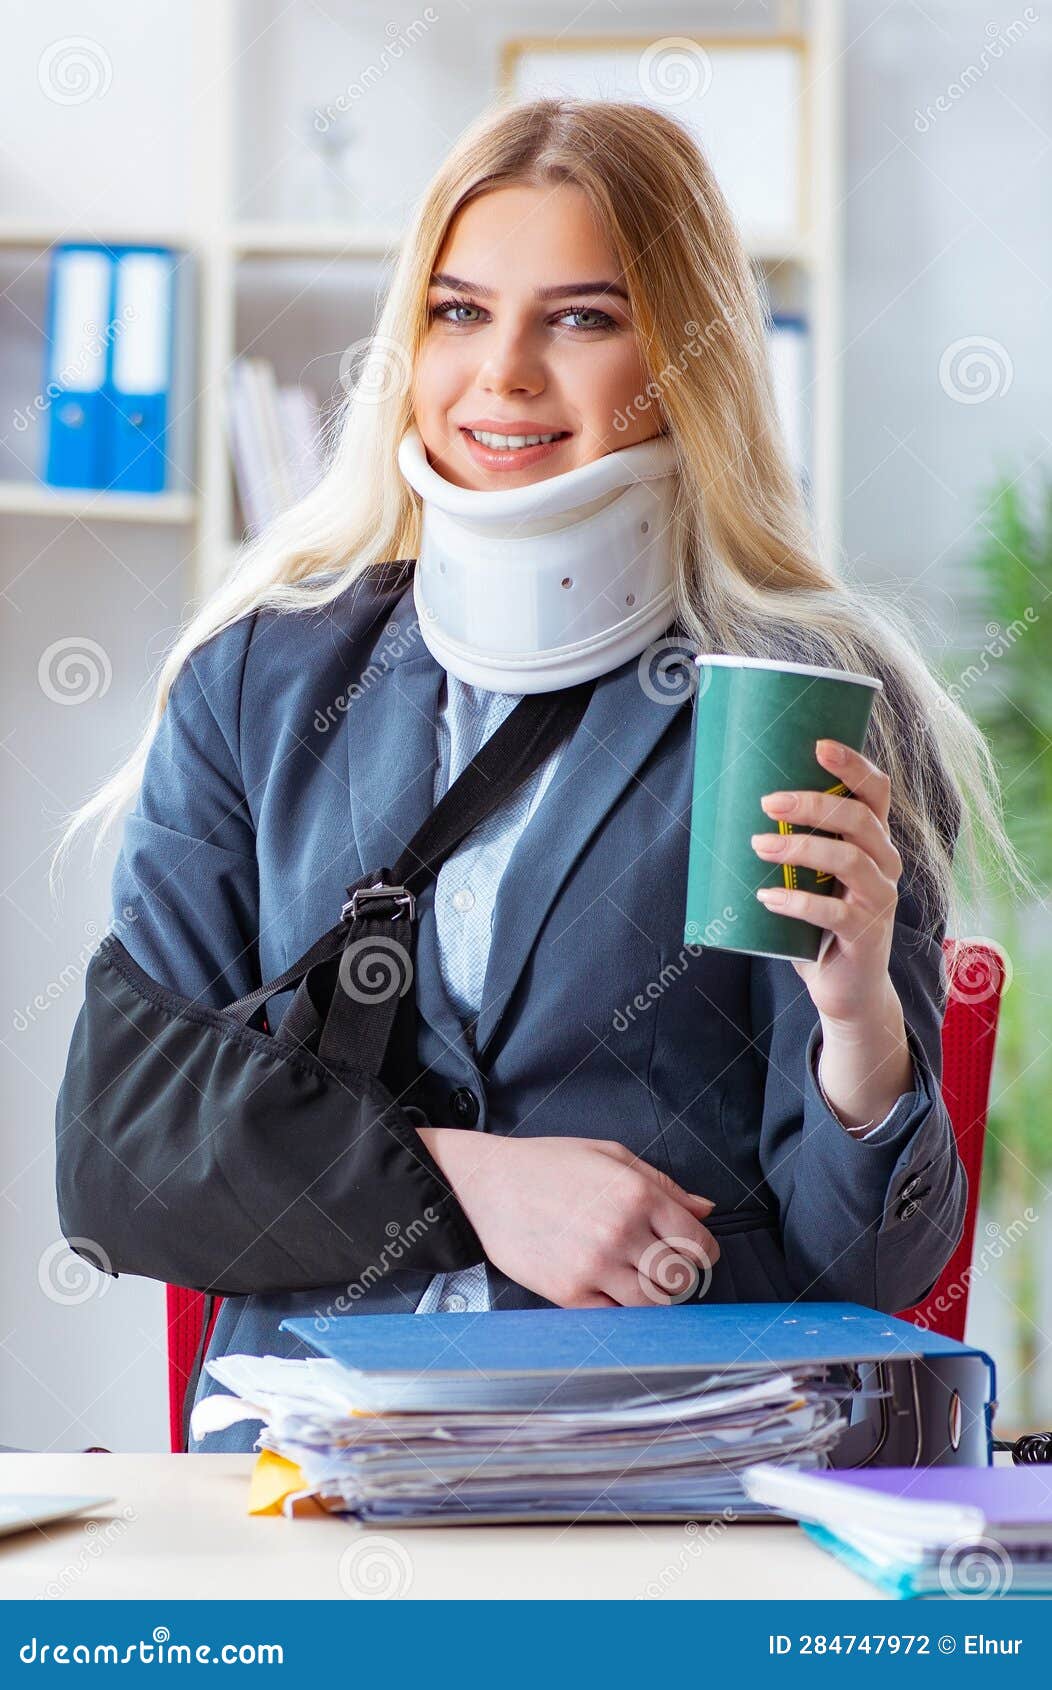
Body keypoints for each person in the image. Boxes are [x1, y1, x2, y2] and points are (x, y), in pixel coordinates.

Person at [52, 98, 1020, 1455]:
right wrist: (457, 1184)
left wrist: (859, 1024)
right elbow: (126, 1148)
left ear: (684, 358)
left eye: (580, 318)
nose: (502, 371)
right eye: (457, 311)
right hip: (306, 1489)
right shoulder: (262, 689)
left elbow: (863, 1273)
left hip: (670, 1481)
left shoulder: (787, 702)